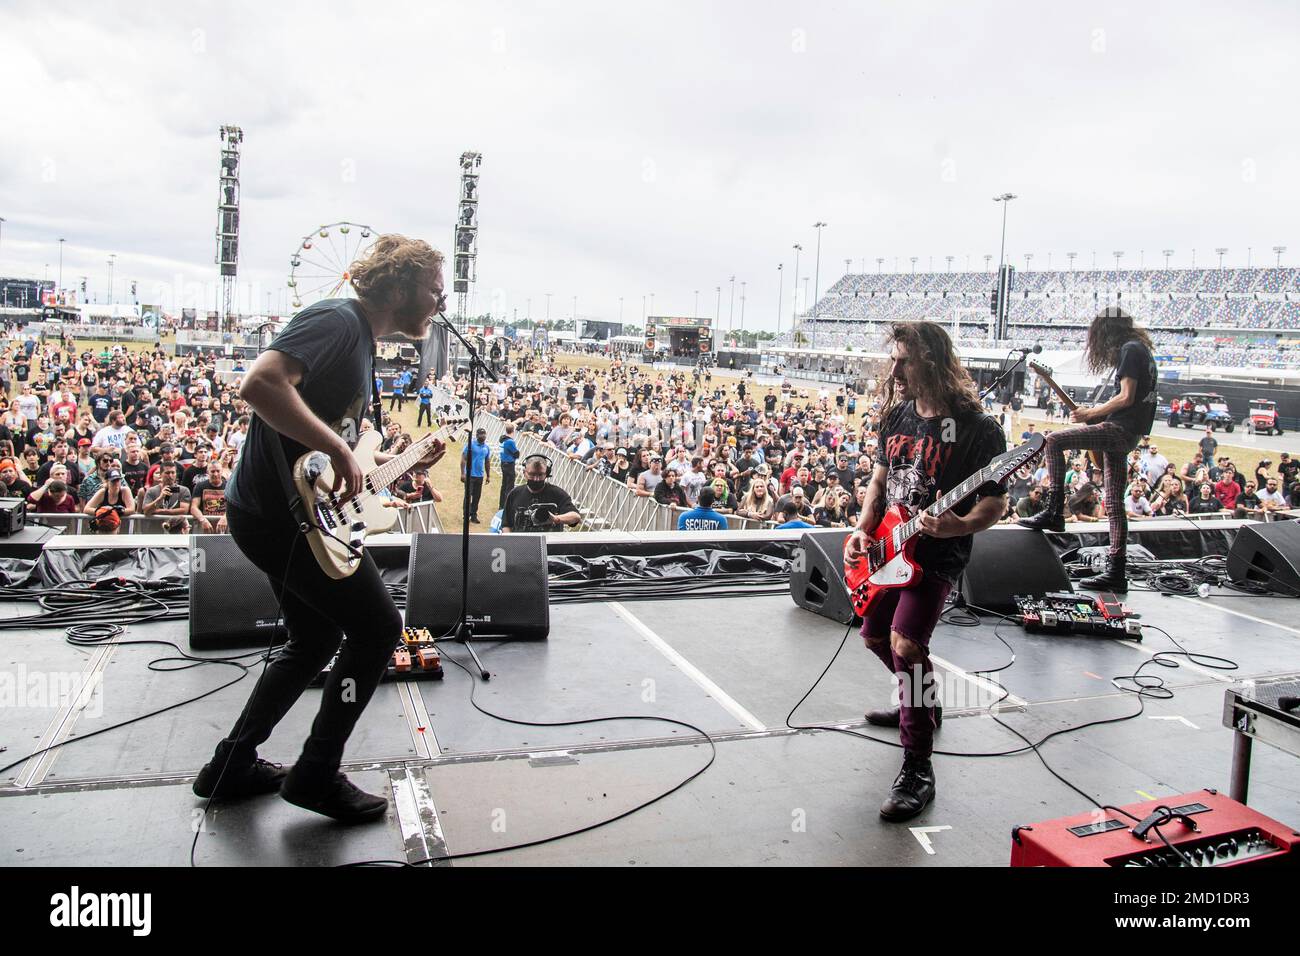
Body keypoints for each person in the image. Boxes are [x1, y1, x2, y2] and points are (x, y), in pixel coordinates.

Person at [194, 234, 447, 824]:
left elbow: (337, 467)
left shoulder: (361, 342)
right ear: (400, 284)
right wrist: (337, 445)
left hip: (280, 512)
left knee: (313, 640)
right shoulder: (337, 320)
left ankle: (230, 765)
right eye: (434, 289)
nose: (441, 301)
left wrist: (393, 469)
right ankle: (315, 773)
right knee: (378, 627)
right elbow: (260, 384)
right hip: (278, 517)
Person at [845, 322, 1006, 823]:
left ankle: (917, 769)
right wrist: (862, 530)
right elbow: (879, 481)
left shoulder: (979, 428)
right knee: (874, 639)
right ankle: (923, 706)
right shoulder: (897, 416)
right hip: (891, 548)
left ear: (932, 361)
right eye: (892, 359)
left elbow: (996, 503)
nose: (894, 370)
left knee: (907, 646)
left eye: (904, 361)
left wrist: (958, 524)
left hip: (936, 556)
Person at [1019, 307, 1157, 593]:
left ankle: (1055, 510)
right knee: (1115, 505)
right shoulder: (1140, 349)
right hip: (1129, 433)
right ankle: (1116, 571)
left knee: (1054, 441)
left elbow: (1126, 397)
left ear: (1106, 331)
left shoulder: (1130, 350)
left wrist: (1091, 412)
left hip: (1120, 430)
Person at [501, 455, 580, 532]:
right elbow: (506, 525)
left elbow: (575, 516)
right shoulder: (514, 494)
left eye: (540, 474)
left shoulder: (557, 494)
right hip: (521, 544)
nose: (536, 479)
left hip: (550, 544)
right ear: (524, 473)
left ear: (547, 473)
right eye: (532, 474)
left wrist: (555, 519)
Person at [460, 427, 492, 523]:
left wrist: (488, 475)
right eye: (481, 434)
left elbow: (487, 461)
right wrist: (462, 473)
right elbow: (463, 458)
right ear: (477, 435)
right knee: (468, 495)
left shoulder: (486, 448)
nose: (483, 436)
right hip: (470, 475)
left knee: (477, 497)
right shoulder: (470, 445)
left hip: (480, 476)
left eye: (484, 434)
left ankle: (473, 515)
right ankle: (466, 515)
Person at [497, 422, 519, 511]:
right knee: (509, 486)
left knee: (504, 485)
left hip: (503, 463)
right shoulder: (510, 441)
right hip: (509, 464)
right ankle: (506, 506)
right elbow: (516, 453)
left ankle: (501, 504)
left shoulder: (503, 440)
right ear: (513, 431)